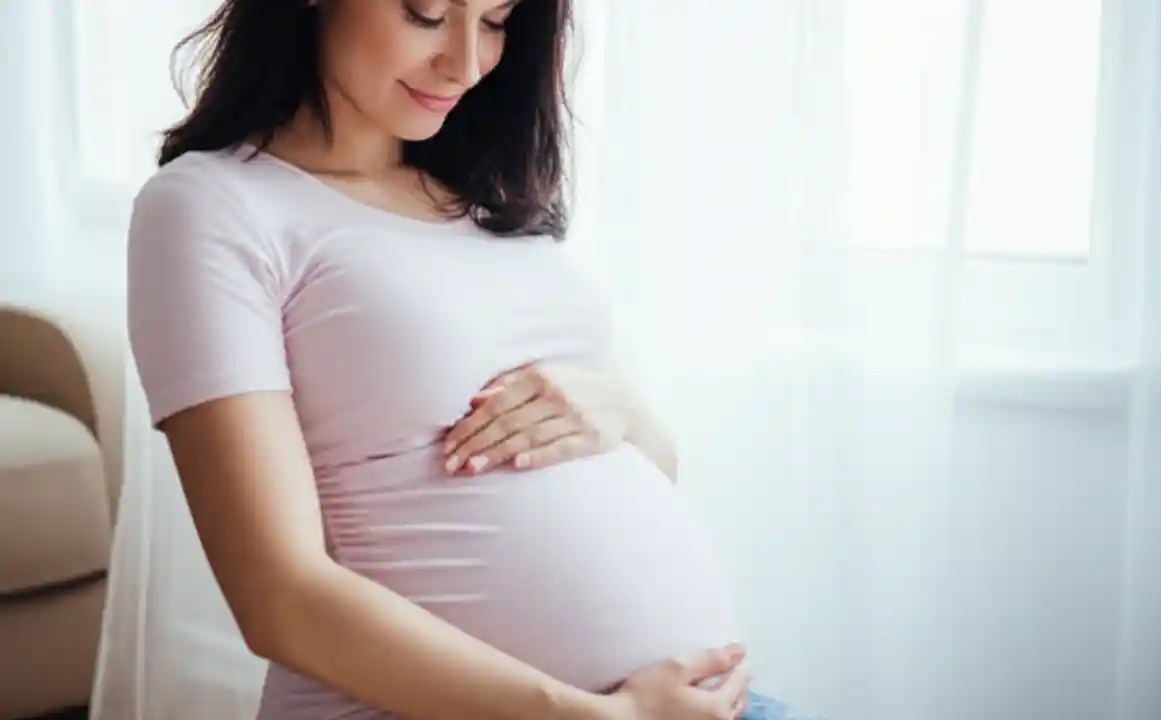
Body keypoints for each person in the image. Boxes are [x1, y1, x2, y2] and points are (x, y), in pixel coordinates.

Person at [127, 1, 821, 718]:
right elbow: (278, 598)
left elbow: (651, 463)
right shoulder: (214, 207)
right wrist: (594, 715)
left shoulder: (488, 201)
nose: (466, 62)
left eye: (495, 20)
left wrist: (617, 407)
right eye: (427, 13)